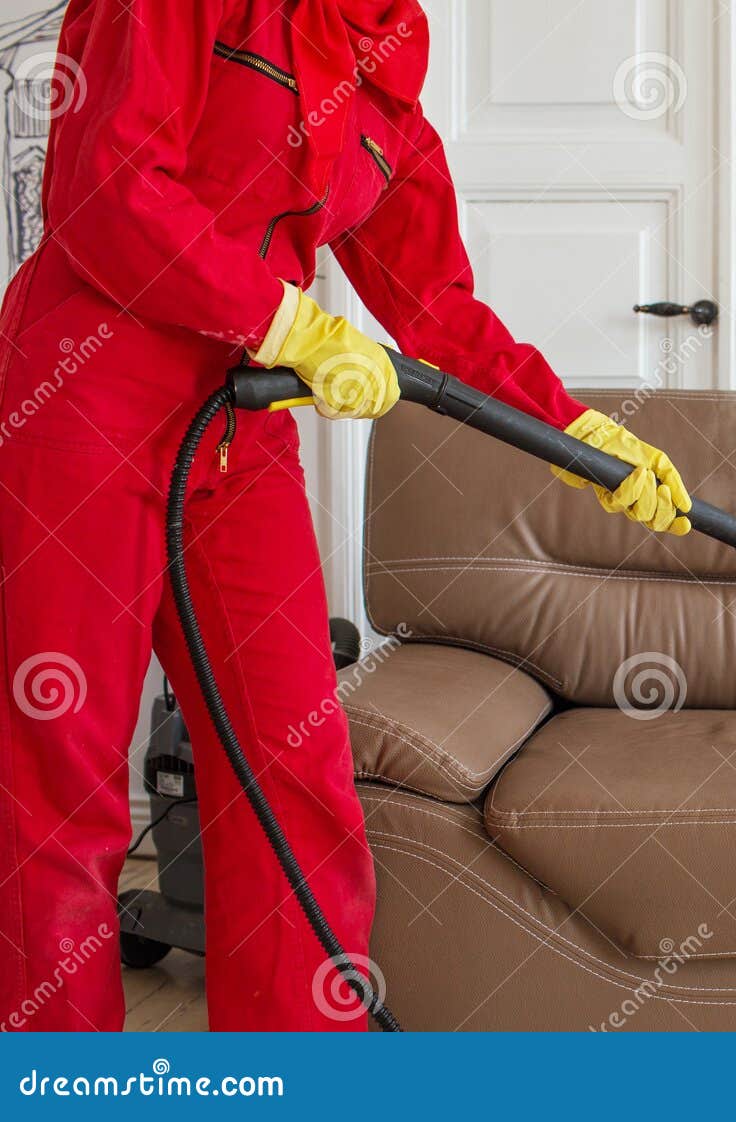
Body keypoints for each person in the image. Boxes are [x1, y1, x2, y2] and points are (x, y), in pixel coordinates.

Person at [0, 0, 690, 1031]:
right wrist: (288, 319)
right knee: (61, 787)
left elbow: (437, 304)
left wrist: (584, 435)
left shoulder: (384, 69)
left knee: (294, 770)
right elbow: (105, 192)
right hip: (85, 400)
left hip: (240, 431)